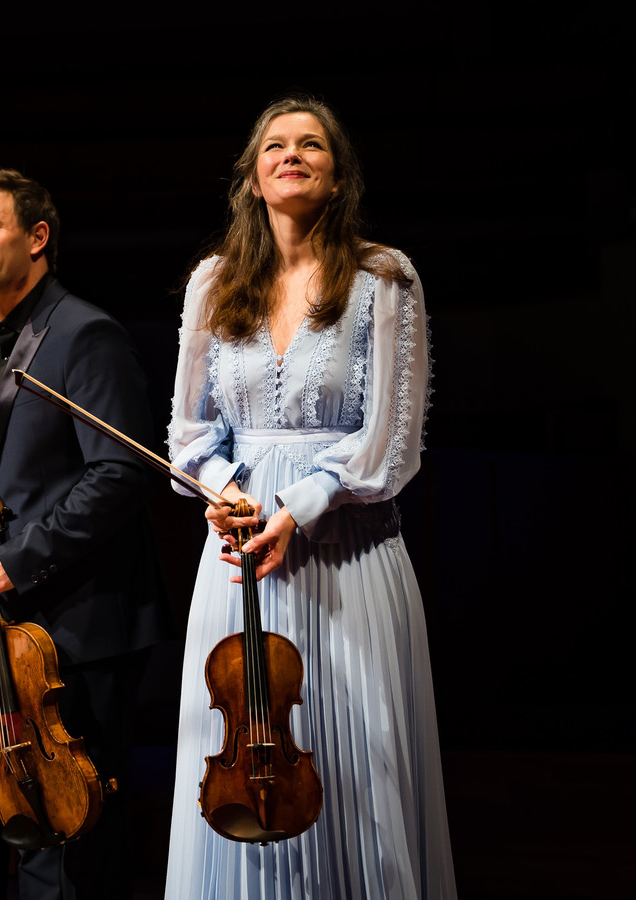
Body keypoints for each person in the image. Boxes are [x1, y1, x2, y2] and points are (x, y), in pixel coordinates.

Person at [164, 95, 456, 898]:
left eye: (312, 145)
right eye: (275, 147)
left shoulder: (385, 278)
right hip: (240, 557)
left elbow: (390, 443)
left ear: (337, 174)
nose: (292, 155)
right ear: (253, 179)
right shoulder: (212, 283)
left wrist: (299, 506)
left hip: (348, 555)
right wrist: (225, 491)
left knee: (362, 762)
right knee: (242, 758)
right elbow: (189, 437)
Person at [0, 169, 168, 899]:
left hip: (87, 618)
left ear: (38, 238)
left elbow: (122, 473)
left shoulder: (84, 332)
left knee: (80, 837)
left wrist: (18, 558)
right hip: (15, 627)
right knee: (32, 826)